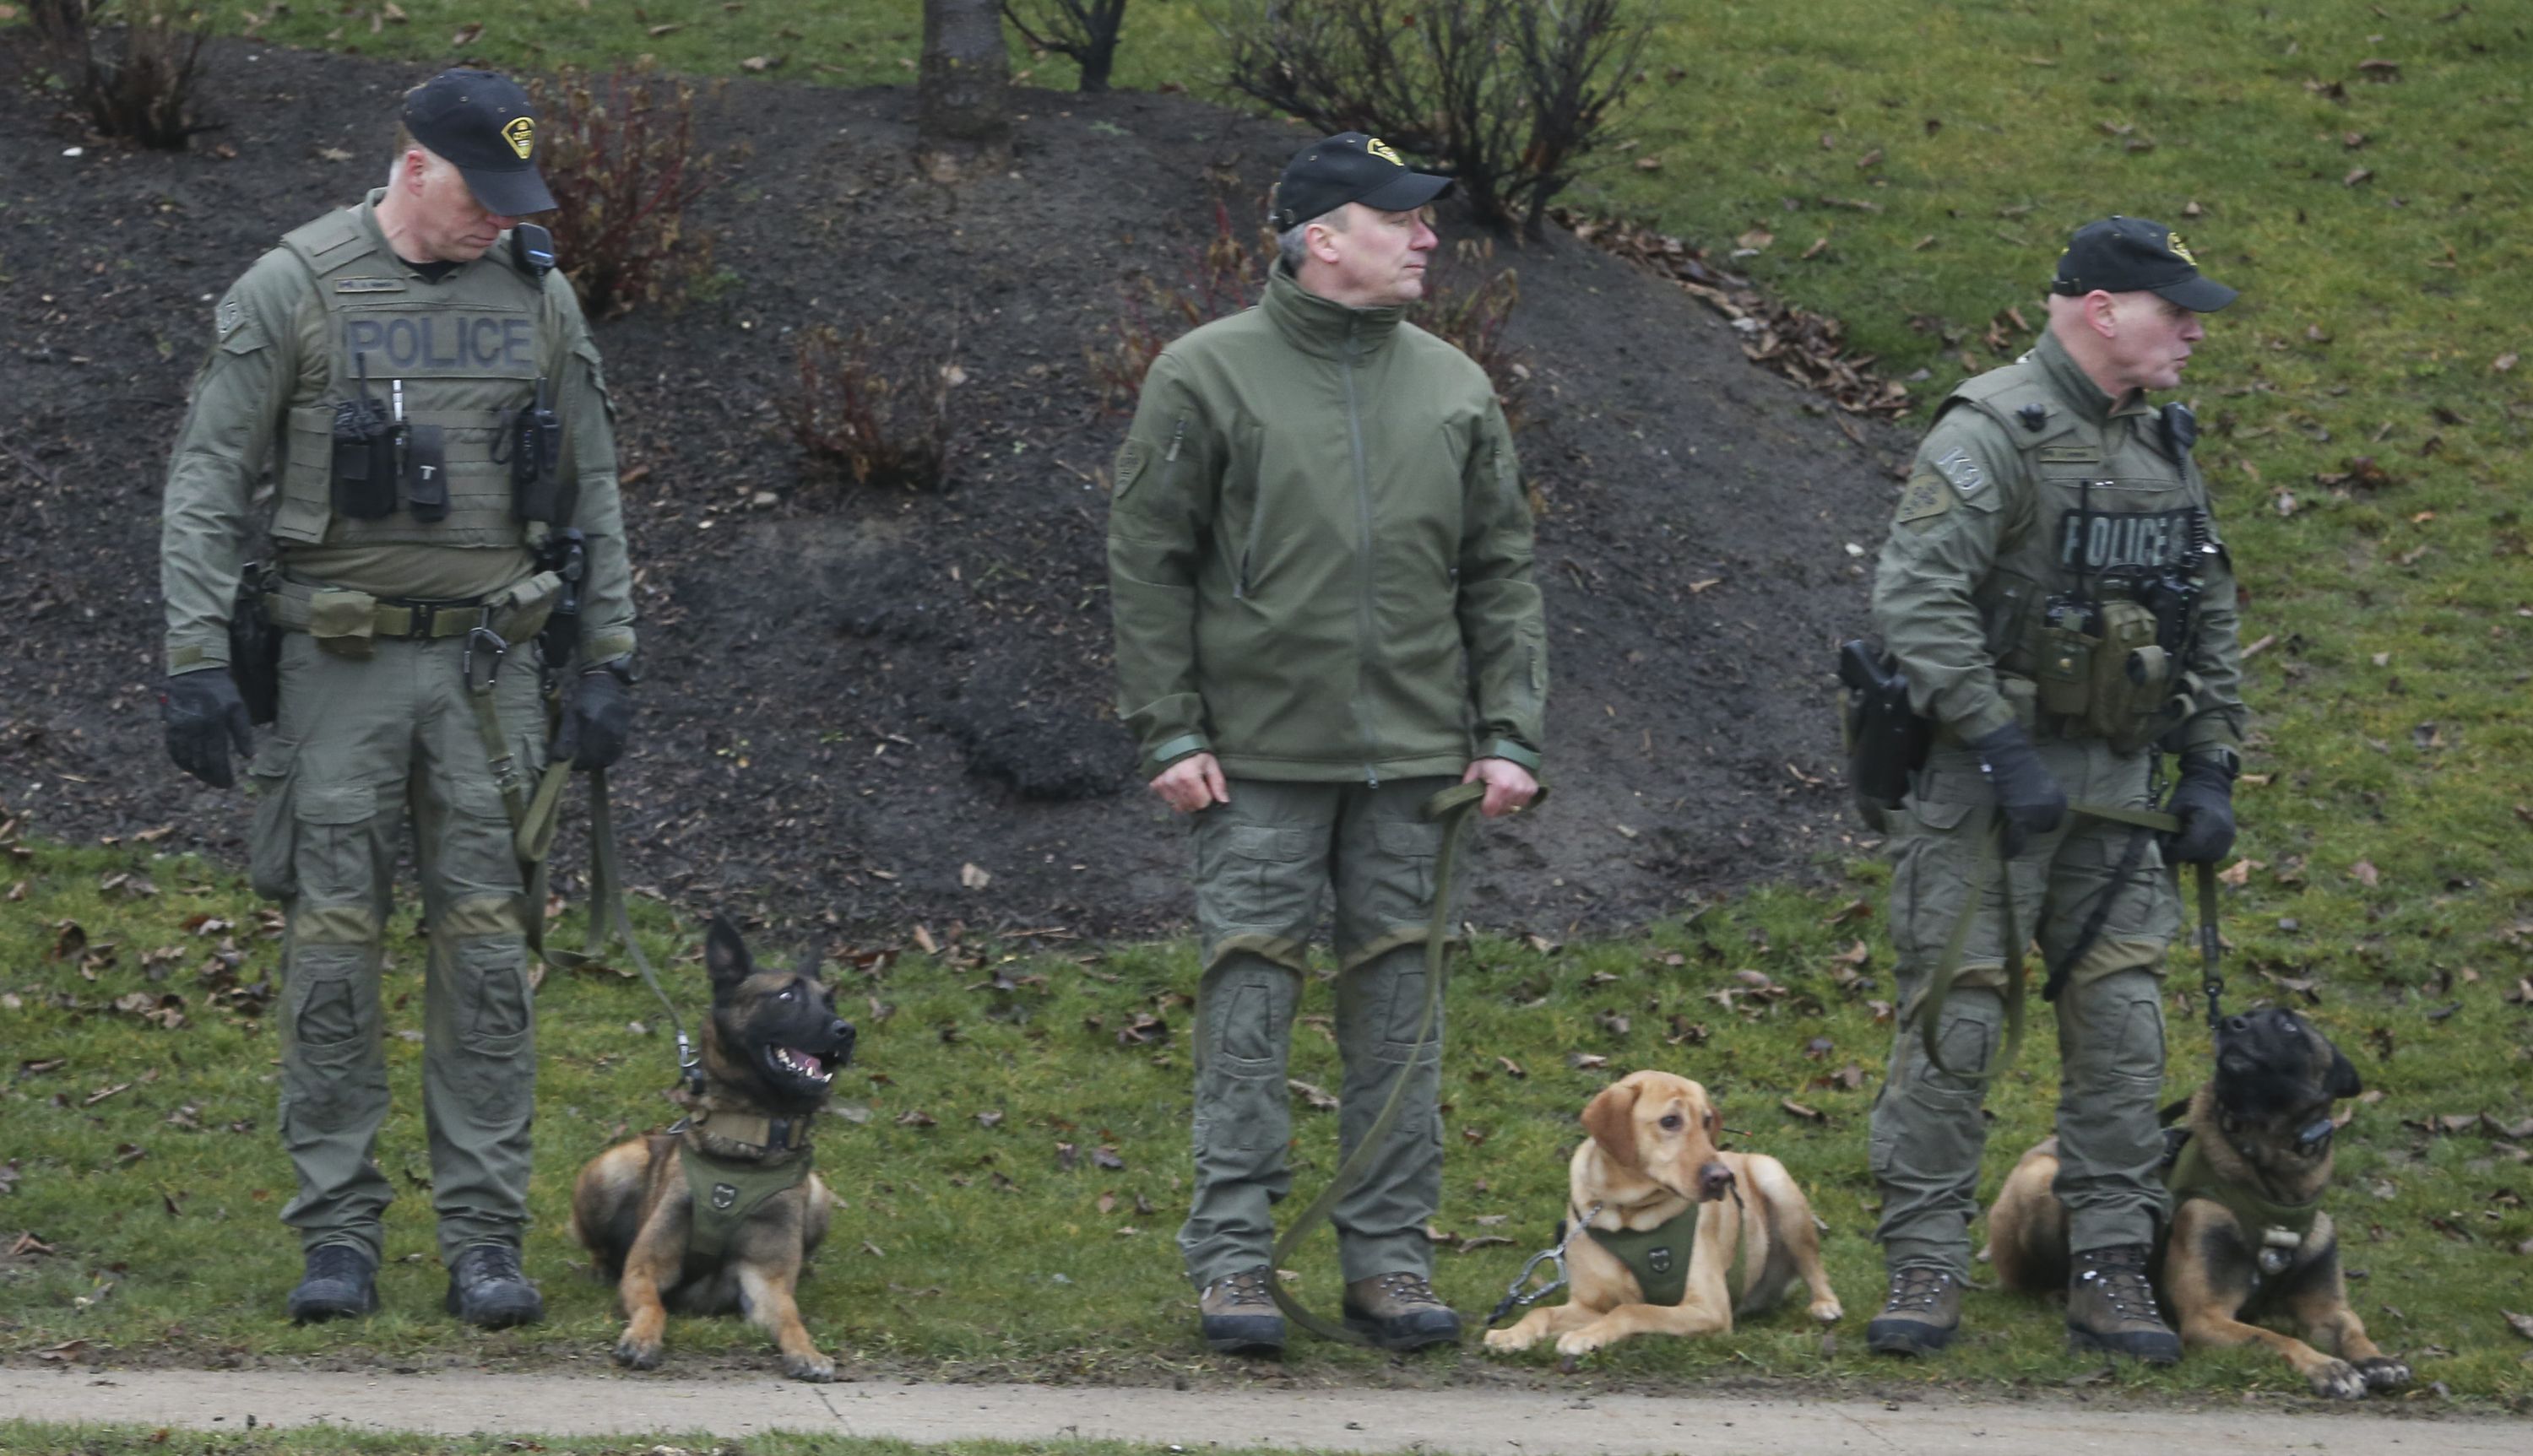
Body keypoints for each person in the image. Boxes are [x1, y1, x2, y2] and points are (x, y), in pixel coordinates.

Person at [158, 68, 640, 1329]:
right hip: (337, 676)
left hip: (490, 678)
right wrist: (195, 656)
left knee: (486, 960)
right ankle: (338, 1234)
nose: (502, 217)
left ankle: (484, 1240)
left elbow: (592, 487)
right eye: (484, 193)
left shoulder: (538, 296)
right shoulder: (294, 288)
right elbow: (209, 479)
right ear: (415, 166)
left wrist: (608, 657)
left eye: (516, 197)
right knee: (331, 954)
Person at [1107, 133, 1547, 1356]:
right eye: (1397, 218)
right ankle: (1234, 1264)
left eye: (1423, 219)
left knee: (1402, 1023)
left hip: (1417, 767)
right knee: (1248, 1015)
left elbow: (1501, 572)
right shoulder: (1205, 374)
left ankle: (1390, 1263)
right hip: (1253, 765)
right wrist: (1170, 726)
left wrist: (1509, 731)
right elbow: (1148, 563)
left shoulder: (1454, 387)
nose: (1426, 238)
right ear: (1320, 237)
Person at [1859, 217, 2247, 1362]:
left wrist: (2211, 763)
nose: (2192, 331)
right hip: (1984, 792)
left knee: (2124, 1030)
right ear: (2102, 310)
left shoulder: (2164, 443)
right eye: (2174, 310)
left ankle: (2110, 1265)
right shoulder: (1991, 431)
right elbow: (1917, 598)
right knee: (1959, 1019)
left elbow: (2207, 610)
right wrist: (1998, 743)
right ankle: (1926, 1261)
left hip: (2118, 789)